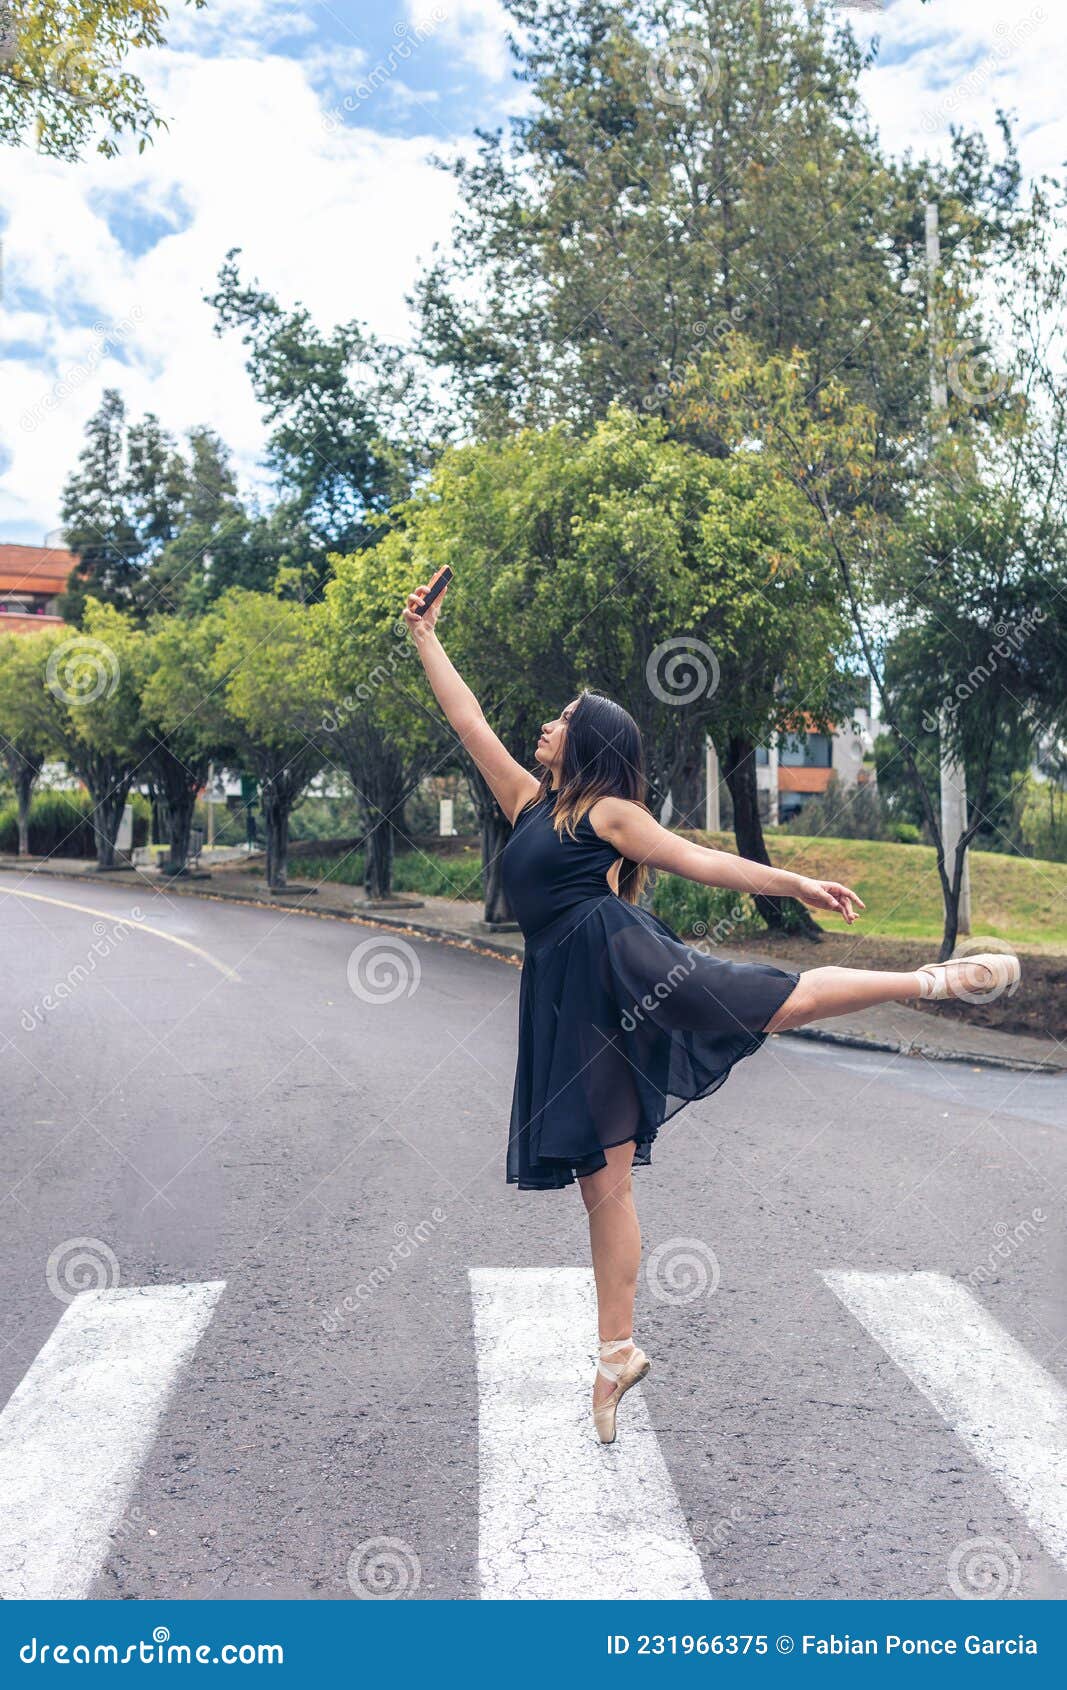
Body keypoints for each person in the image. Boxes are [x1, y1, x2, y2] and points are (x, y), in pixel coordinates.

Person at [403, 581, 1021, 1444]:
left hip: (623, 964)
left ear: (589, 741)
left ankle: (931, 982)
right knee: (601, 1184)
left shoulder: (607, 812)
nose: (544, 725)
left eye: (561, 718)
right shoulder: (526, 801)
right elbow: (465, 718)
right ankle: (616, 1354)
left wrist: (794, 882)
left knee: (780, 1002)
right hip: (566, 1000)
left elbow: (700, 861)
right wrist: (424, 636)